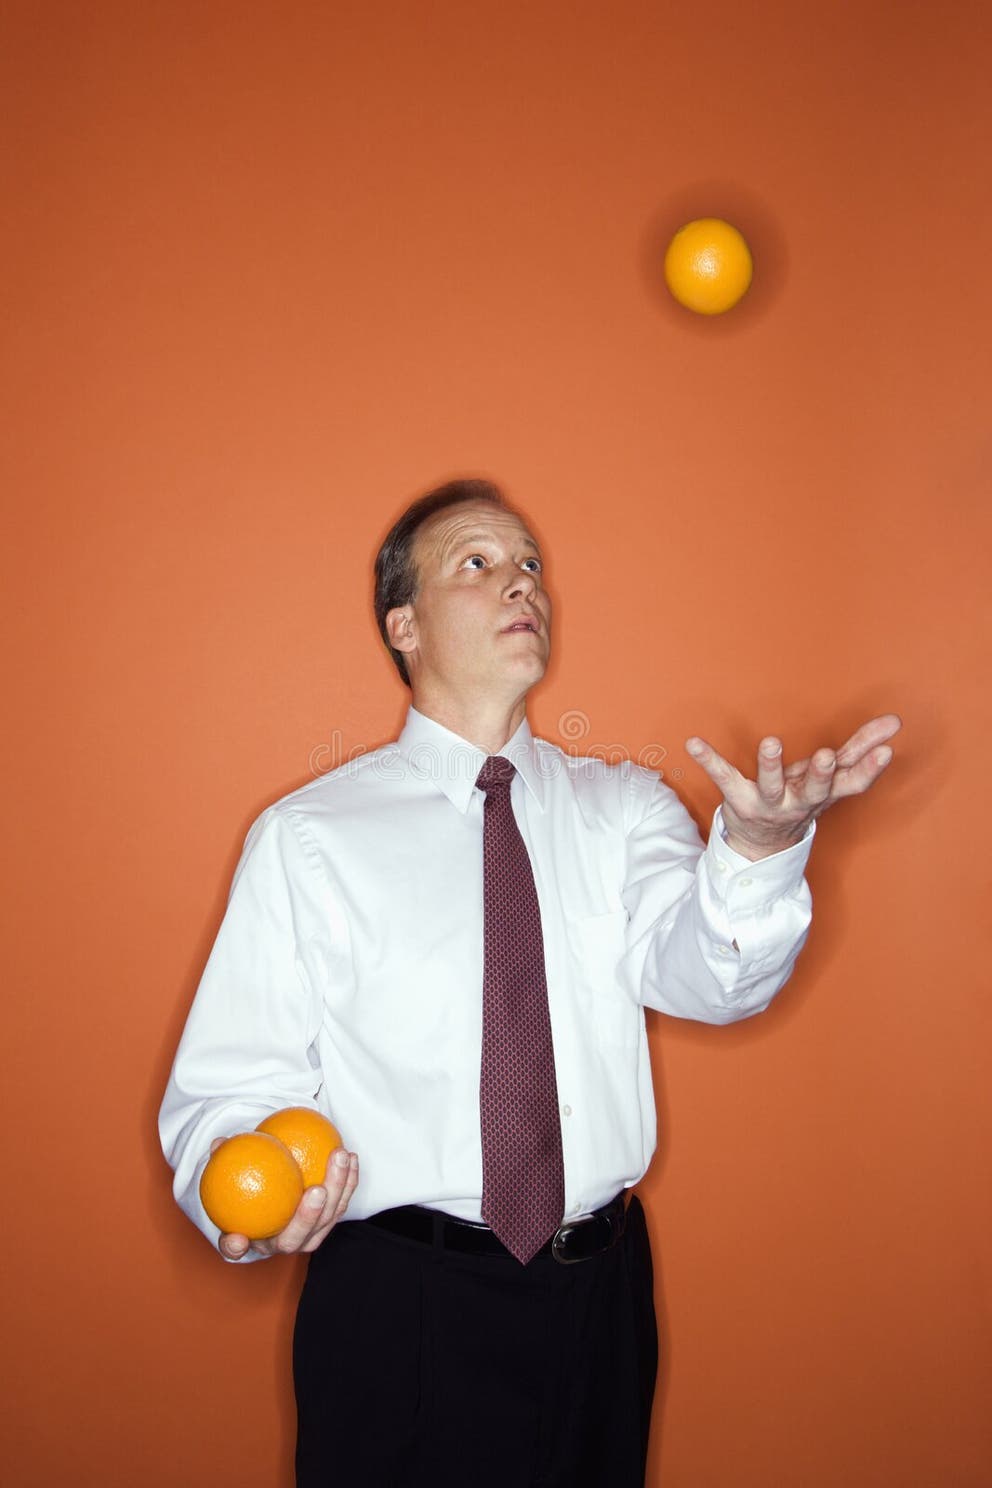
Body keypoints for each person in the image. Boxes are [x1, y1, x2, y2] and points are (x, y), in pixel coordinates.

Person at [159, 478, 900, 1487]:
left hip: (596, 1303)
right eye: (477, 563)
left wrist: (758, 852)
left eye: (529, 565)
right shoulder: (308, 838)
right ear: (404, 624)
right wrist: (243, 1205)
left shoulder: (623, 806)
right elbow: (225, 1092)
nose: (520, 581)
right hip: (397, 1309)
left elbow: (705, 977)